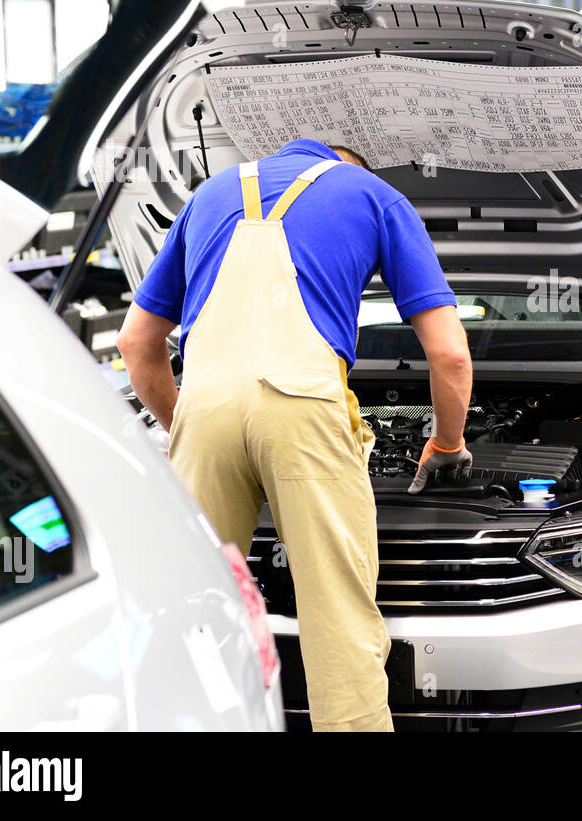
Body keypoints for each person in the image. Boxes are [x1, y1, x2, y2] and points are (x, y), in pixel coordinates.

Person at [117, 138, 473, 732]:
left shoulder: (208, 194)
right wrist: (446, 444)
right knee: (338, 618)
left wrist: (191, 429)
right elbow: (451, 357)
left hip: (202, 407)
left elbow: (135, 344)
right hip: (304, 409)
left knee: (195, 612)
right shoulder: (374, 195)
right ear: (348, 165)